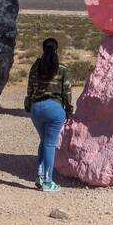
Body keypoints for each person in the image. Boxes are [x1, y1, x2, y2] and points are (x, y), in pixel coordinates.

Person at [24, 38, 73, 191]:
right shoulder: (63, 68)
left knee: (43, 141)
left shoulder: (36, 66)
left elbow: (30, 88)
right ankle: (48, 181)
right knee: (50, 144)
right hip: (55, 109)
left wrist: (28, 105)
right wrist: (69, 111)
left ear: (42, 48)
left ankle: (40, 176)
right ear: (57, 49)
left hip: (36, 108)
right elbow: (67, 92)